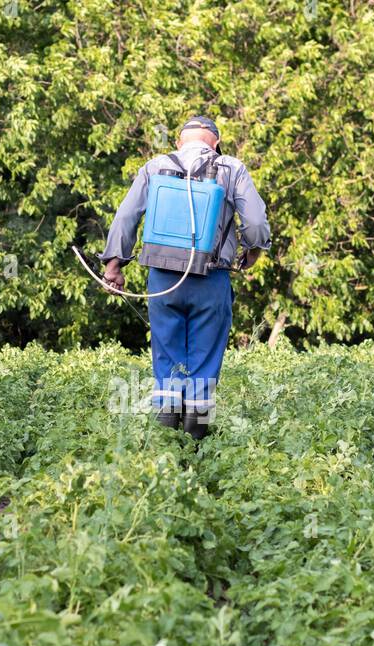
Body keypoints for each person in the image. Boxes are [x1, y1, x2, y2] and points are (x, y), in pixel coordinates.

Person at [100, 115, 271, 439]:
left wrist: (114, 267)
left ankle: (167, 445)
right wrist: (252, 252)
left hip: (163, 280)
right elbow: (256, 222)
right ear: (215, 142)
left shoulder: (155, 166)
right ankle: (197, 450)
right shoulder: (232, 168)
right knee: (204, 363)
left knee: (167, 358)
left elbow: (126, 217)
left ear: (179, 142)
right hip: (211, 279)